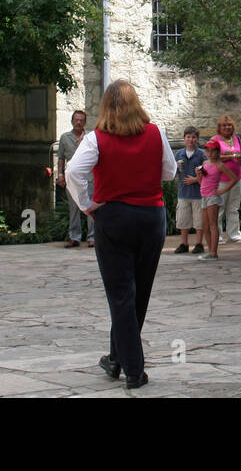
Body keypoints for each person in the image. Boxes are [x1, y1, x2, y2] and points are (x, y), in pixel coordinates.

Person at [63, 79, 177, 390]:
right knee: (138, 293)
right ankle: (116, 357)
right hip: (152, 216)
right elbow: (169, 172)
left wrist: (86, 205)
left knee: (121, 295)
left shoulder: (96, 139)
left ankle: (134, 369)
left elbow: (73, 172)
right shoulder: (156, 133)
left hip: (114, 217)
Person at [56, 110, 94, 248]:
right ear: (72, 121)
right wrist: (60, 175)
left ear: (85, 122)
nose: (78, 122)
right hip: (71, 178)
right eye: (76, 120)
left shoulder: (90, 137)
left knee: (90, 206)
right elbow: (61, 158)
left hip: (88, 177)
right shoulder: (65, 138)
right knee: (73, 208)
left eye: (81, 120)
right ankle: (74, 237)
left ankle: (92, 237)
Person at [195, 140, 237, 260]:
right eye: (208, 150)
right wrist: (198, 174)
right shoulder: (205, 163)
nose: (210, 153)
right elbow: (201, 182)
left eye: (213, 150)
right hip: (204, 196)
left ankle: (214, 253)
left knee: (213, 224)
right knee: (205, 226)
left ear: (218, 152)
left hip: (213, 197)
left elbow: (233, 179)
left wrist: (222, 191)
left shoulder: (220, 165)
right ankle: (210, 251)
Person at [210, 116, 241, 243]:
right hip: (220, 179)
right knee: (219, 208)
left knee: (233, 208)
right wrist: (231, 156)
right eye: (224, 125)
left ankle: (234, 235)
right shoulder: (215, 140)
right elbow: (212, 157)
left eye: (229, 125)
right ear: (219, 128)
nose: (227, 127)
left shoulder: (236, 139)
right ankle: (218, 236)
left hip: (236, 179)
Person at [173, 127, 206, 254]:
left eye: (193, 137)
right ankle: (184, 243)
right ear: (184, 138)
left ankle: (199, 243)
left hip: (198, 193)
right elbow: (175, 172)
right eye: (188, 137)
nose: (190, 140)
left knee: (199, 220)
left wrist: (196, 179)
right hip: (183, 193)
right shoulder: (179, 154)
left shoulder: (202, 154)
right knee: (183, 219)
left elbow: (207, 173)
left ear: (197, 139)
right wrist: (176, 168)